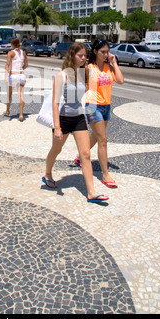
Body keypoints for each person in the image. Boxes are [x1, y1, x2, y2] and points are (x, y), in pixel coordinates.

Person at [42, 42, 109, 204]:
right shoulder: (62, 75)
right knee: (56, 149)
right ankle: (47, 174)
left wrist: (110, 59)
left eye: (85, 55)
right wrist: (57, 127)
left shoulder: (83, 73)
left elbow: (100, 64)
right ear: (72, 56)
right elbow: (55, 103)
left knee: (85, 154)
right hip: (63, 120)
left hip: (79, 118)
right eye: (80, 55)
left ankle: (91, 193)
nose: (83, 58)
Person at [74, 39, 124, 188]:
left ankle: (79, 156)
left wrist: (114, 63)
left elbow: (120, 80)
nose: (105, 54)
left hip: (106, 106)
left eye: (107, 52)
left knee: (96, 136)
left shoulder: (109, 67)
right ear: (95, 51)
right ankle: (105, 175)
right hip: (92, 106)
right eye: (102, 52)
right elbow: (75, 83)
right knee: (103, 139)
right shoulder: (89, 68)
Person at [4, 37, 28, 121]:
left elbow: (7, 64)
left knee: (9, 94)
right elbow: (26, 65)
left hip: (13, 75)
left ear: (12, 44)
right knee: (21, 94)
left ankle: (7, 110)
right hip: (21, 75)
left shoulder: (11, 53)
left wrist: (6, 76)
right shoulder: (23, 52)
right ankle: (21, 115)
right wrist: (21, 70)